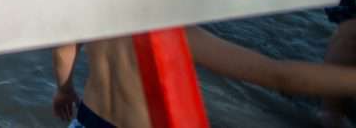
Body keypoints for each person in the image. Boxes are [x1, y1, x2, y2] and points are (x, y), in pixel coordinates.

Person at [52, 28, 356, 127]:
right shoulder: (175, 33)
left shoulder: (95, 11)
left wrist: (64, 90)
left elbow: (64, 49)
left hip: (87, 120)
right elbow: (279, 76)